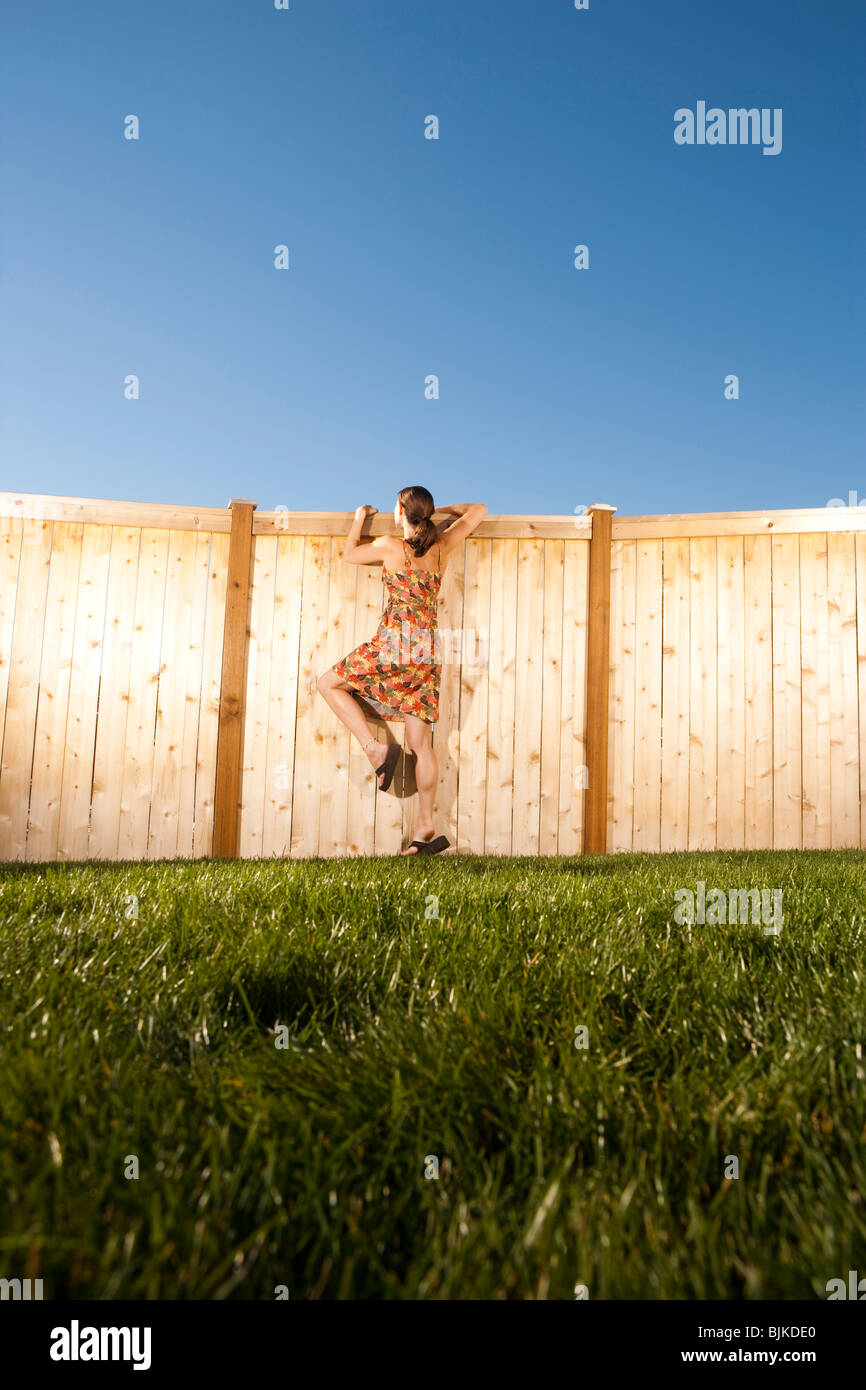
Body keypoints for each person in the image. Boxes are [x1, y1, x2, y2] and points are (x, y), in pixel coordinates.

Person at [317, 485, 487, 855]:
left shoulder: (389, 546)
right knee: (420, 744)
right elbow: (479, 509)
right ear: (422, 514)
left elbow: (347, 555)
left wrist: (359, 518)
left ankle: (375, 750)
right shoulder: (443, 545)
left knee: (328, 684)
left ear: (399, 512)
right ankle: (425, 826)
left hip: (395, 644)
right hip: (427, 650)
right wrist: (436, 511)